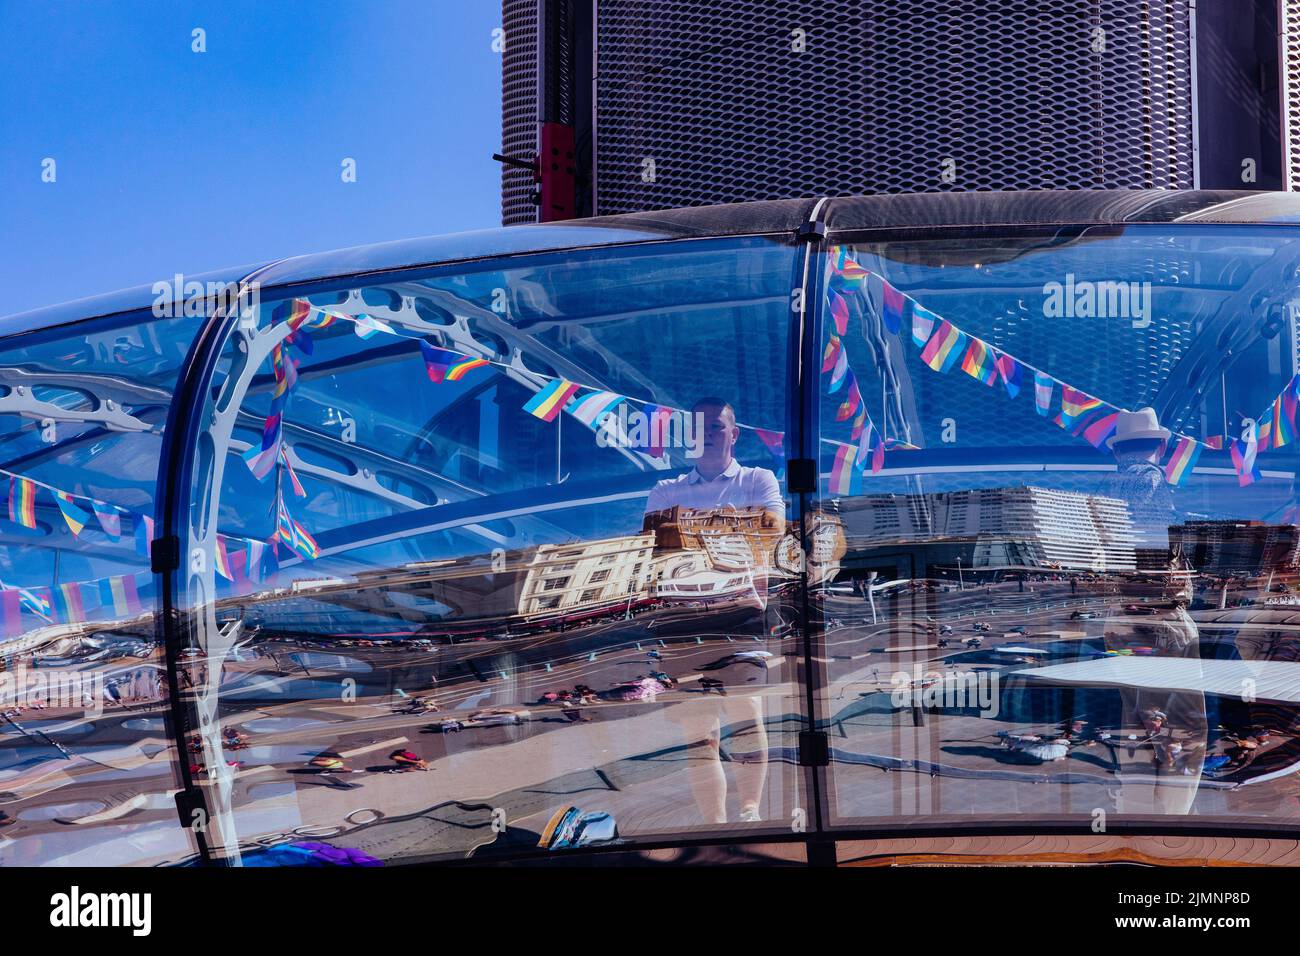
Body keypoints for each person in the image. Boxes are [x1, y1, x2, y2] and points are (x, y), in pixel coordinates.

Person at [641, 397, 783, 826]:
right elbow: (654, 552)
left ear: (734, 434)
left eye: (717, 427)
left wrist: (690, 532)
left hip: (741, 613)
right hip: (685, 621)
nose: (707, 434)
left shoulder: (759, 479)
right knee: (698, 731)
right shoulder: (665, 490)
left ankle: (749, 812)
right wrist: (729, 530)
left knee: (746, 714)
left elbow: (770, 537)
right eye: (699, 427)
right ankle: (714, 827)